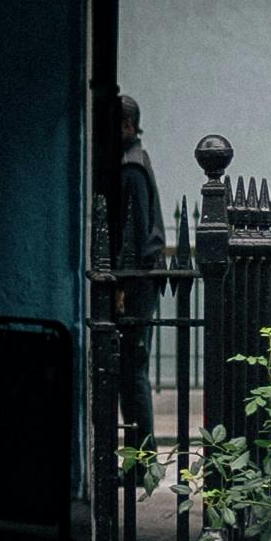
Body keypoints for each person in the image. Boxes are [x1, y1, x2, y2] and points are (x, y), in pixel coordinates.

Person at [108, 91, 166, 460]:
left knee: (131, 370)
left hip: (136, 280)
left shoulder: (130, 167)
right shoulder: (136, 159)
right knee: (131, 369)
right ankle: (140, 456)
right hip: (141, 277)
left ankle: (141, 457)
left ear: (128, 125)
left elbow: (133, 229)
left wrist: (121, 286)